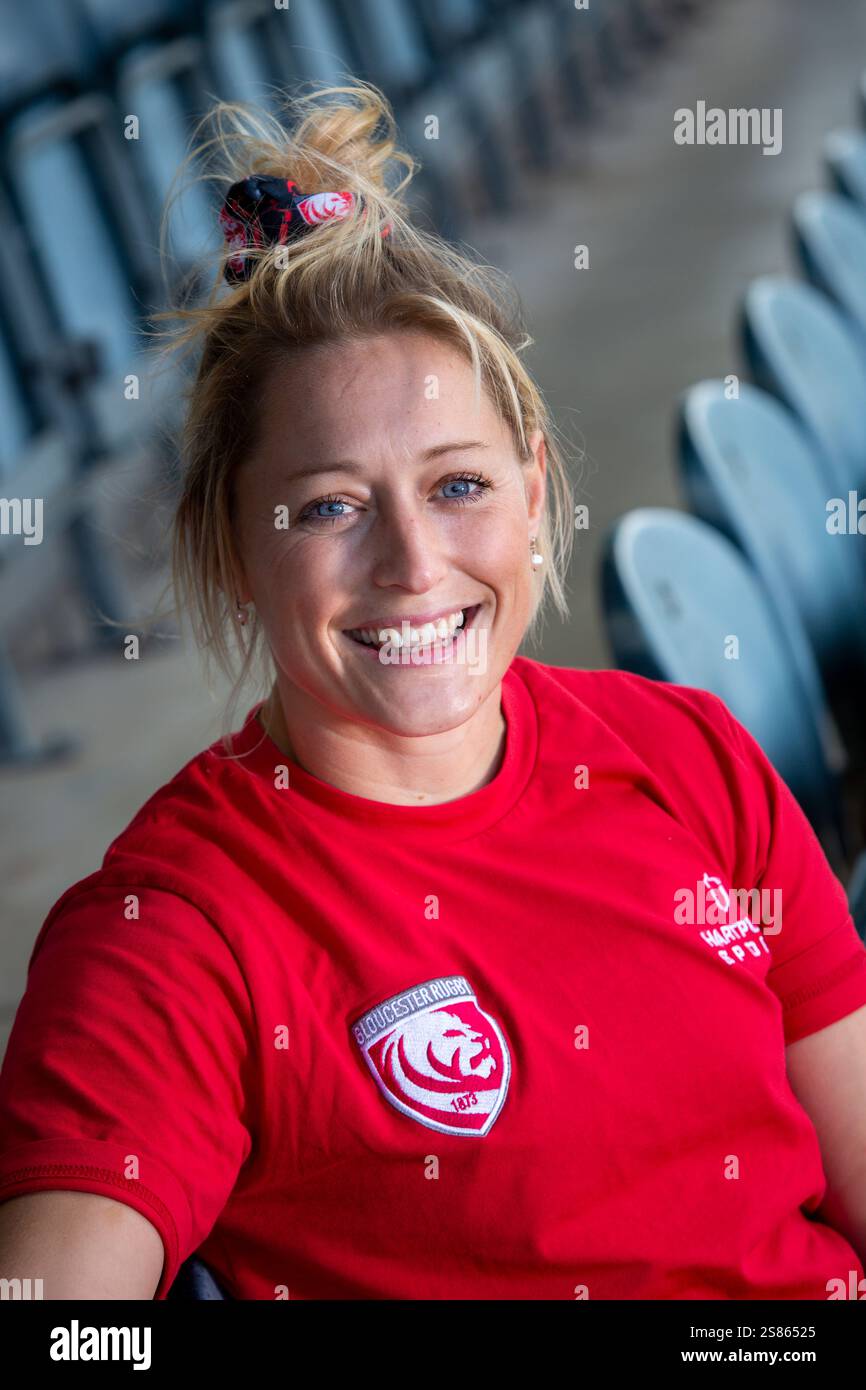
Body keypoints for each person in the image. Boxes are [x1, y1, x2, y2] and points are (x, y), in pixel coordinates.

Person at [1, 79, 865, 1302]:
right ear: (232, 547)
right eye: (330, 507)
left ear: (531, 488)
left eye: (456, 485)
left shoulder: (686, 753)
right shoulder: (172, 936)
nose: (413, 566)